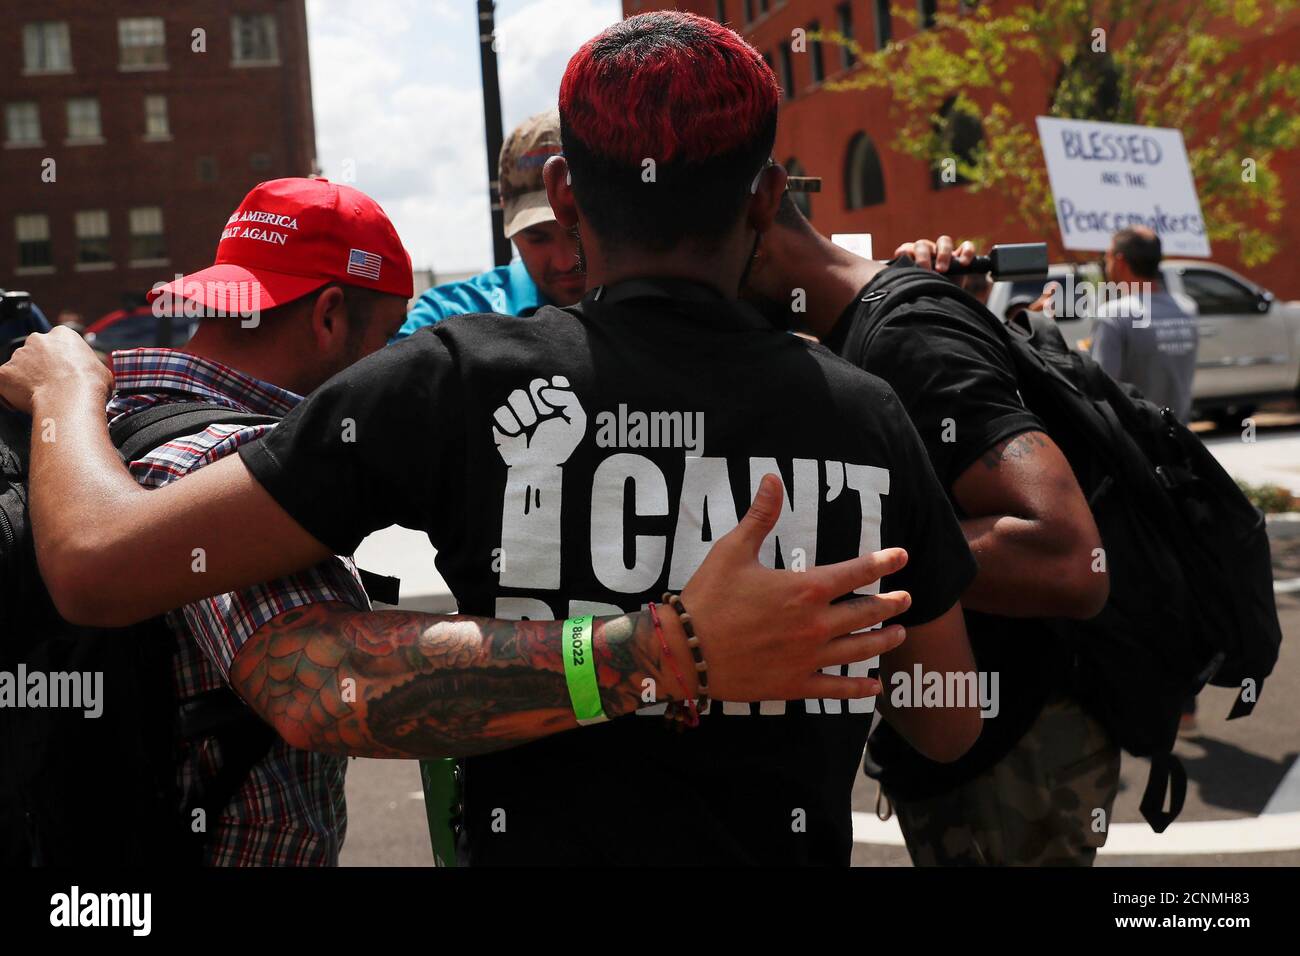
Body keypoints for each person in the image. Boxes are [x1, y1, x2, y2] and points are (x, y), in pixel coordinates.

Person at [0, 11, 980, 866]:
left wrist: (63, 385)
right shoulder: (866, 416)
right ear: (766, 196)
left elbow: (96, 562)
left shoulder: (460, 381)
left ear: (562, 191)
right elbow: (945, 720)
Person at [744, 201, 1115, 866]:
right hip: (969, 757)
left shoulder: (907, 335)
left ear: (756, 220)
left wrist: (848, 562)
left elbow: (1068, 558)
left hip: (1015, 759)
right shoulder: (863, 331)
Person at [397, 110, 584, 337]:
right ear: (506, 215)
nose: (564, 262)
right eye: (537, 238)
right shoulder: (447, 317)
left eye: (577, 232)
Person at [1091, 226, 1199, 425]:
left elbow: (1102, 391)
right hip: (1181, 438)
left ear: (1120, 261)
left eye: (1107, 257)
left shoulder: (1113, 315)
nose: (1106, 264)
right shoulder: (1187, 308)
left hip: (1136, 442)